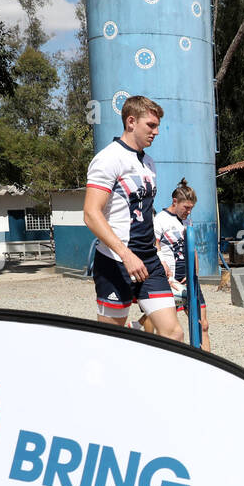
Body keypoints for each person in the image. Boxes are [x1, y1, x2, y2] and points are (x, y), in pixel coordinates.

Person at [82, 95, 181, 340]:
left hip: (149, 260)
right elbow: (91, 215)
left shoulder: (149, 163)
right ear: (130, 122)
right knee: (112, 341)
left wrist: (157, 251)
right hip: (116, 260)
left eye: (157, 126)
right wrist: (126, 256)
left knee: (174, 335)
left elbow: (145, 213)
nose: (156, 132)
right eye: (151, 125)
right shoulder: (108, 159)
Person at [153, 179, 211, 351]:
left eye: (191, 208)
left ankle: (207, 365)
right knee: (169, 331)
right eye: (186, 207)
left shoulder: (186, 221)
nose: (189, 211)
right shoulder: (160, 219)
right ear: (175, 202)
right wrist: (162, 266)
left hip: (189, 278)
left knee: (203, 324)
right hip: (168, 279)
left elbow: (192, 249)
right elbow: (153, 245)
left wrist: (195, 272)